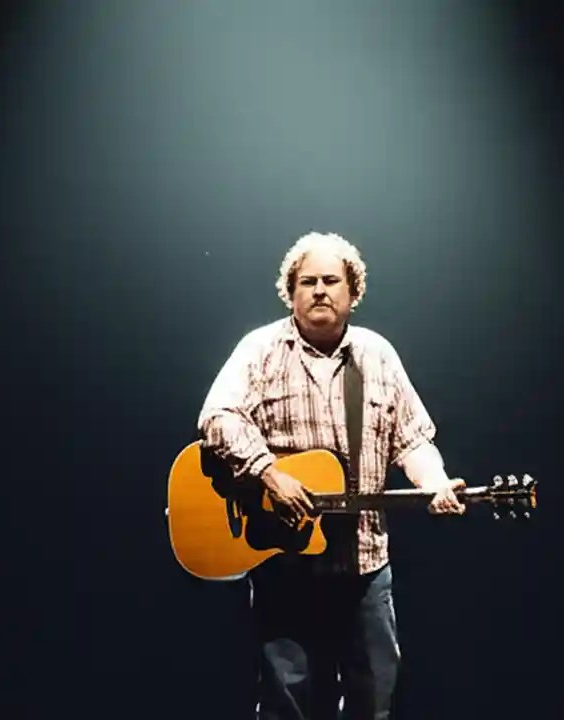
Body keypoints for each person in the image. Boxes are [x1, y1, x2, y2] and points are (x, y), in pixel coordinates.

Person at [197, 231, 466, 719]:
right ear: (291, 292)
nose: (320, 290)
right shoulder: (259, 350)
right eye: (308, 281)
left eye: (331, 280)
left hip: (364, 564)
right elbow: (218, 417)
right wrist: (269, 473)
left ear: (352, 291)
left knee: (374, 699)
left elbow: (412, 440)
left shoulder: (377, 356)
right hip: (287, 565)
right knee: (288, 701)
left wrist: (437, 482)